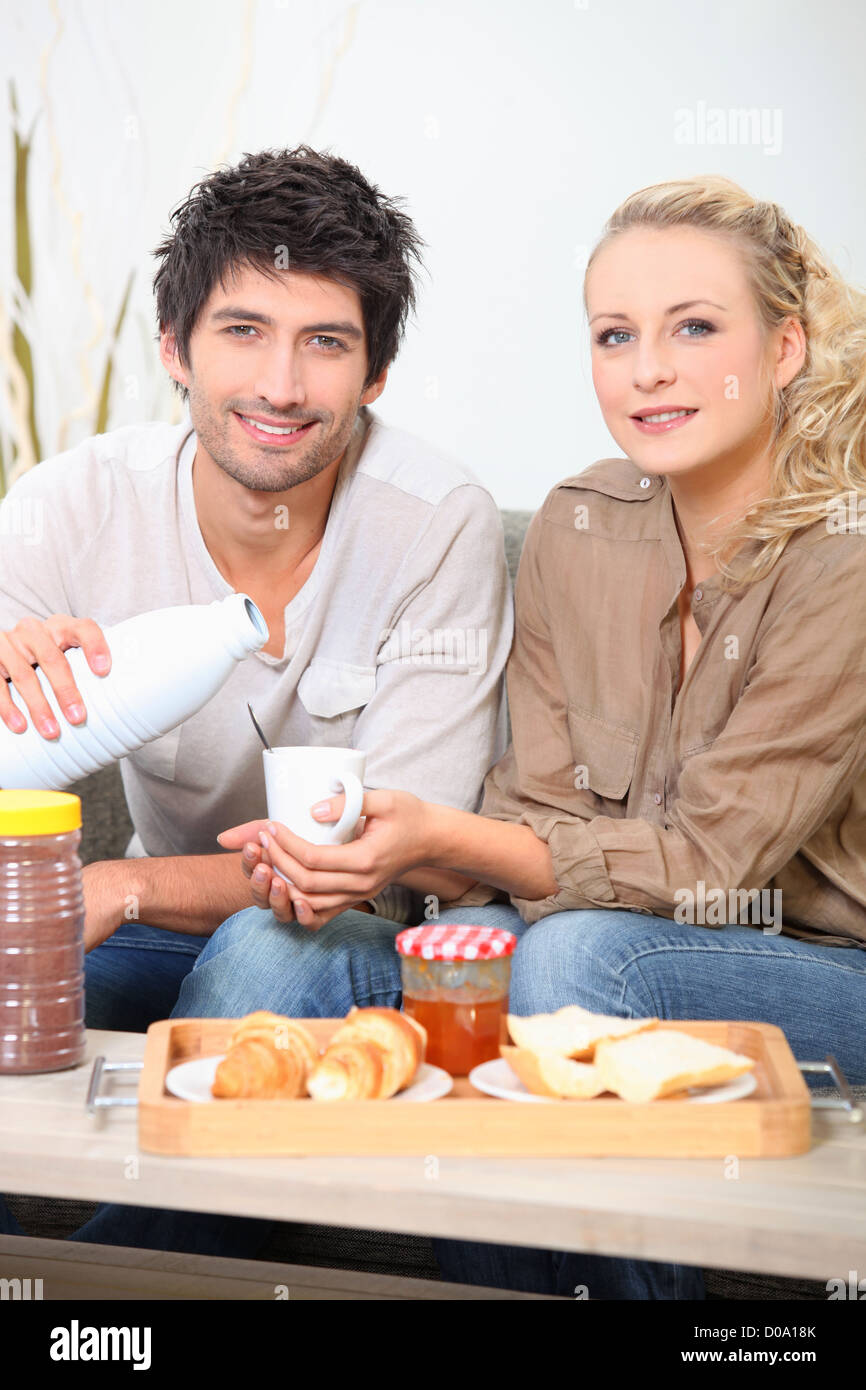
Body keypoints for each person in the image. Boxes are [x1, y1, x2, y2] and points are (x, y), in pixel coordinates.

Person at [217, 175, 866, 1299]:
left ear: (786, 348)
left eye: (693, 327)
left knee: (569, 961)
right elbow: (533, 811)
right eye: (615, 335)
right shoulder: (577, 525)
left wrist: (455, 839)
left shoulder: (843, 565)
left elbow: (710, 867)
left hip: (814, 970)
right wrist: (412, 863)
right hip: (571, 931)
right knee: (279, 949)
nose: (647, 369)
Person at [0, 146, 511, 1255]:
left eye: (324, 342)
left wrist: (128, 881)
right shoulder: (70, 506)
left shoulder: (436, 524)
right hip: (147, 942)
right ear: (175, 350)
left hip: (351, 942)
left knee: (262, 955)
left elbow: (398, 857)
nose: (281, 386)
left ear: (373, 373)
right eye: (243, 332)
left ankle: (91, 1284)